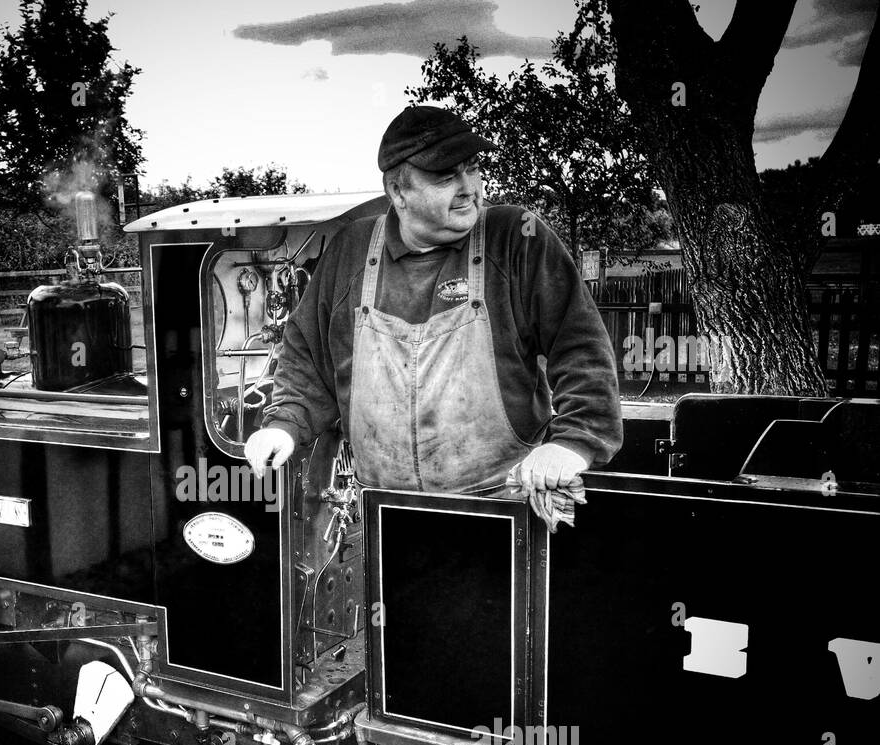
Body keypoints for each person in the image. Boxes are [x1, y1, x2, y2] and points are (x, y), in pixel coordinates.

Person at [245, 105, 622, 498]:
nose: (468, 187)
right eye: (446, 176)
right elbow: (308, 354)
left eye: (472, 167)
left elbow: (579, 345)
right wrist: (283, 425)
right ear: (398, 191)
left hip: (506, 506)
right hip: (385, 511)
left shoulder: (516, 238)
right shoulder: (351, 250)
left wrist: (575, 440)